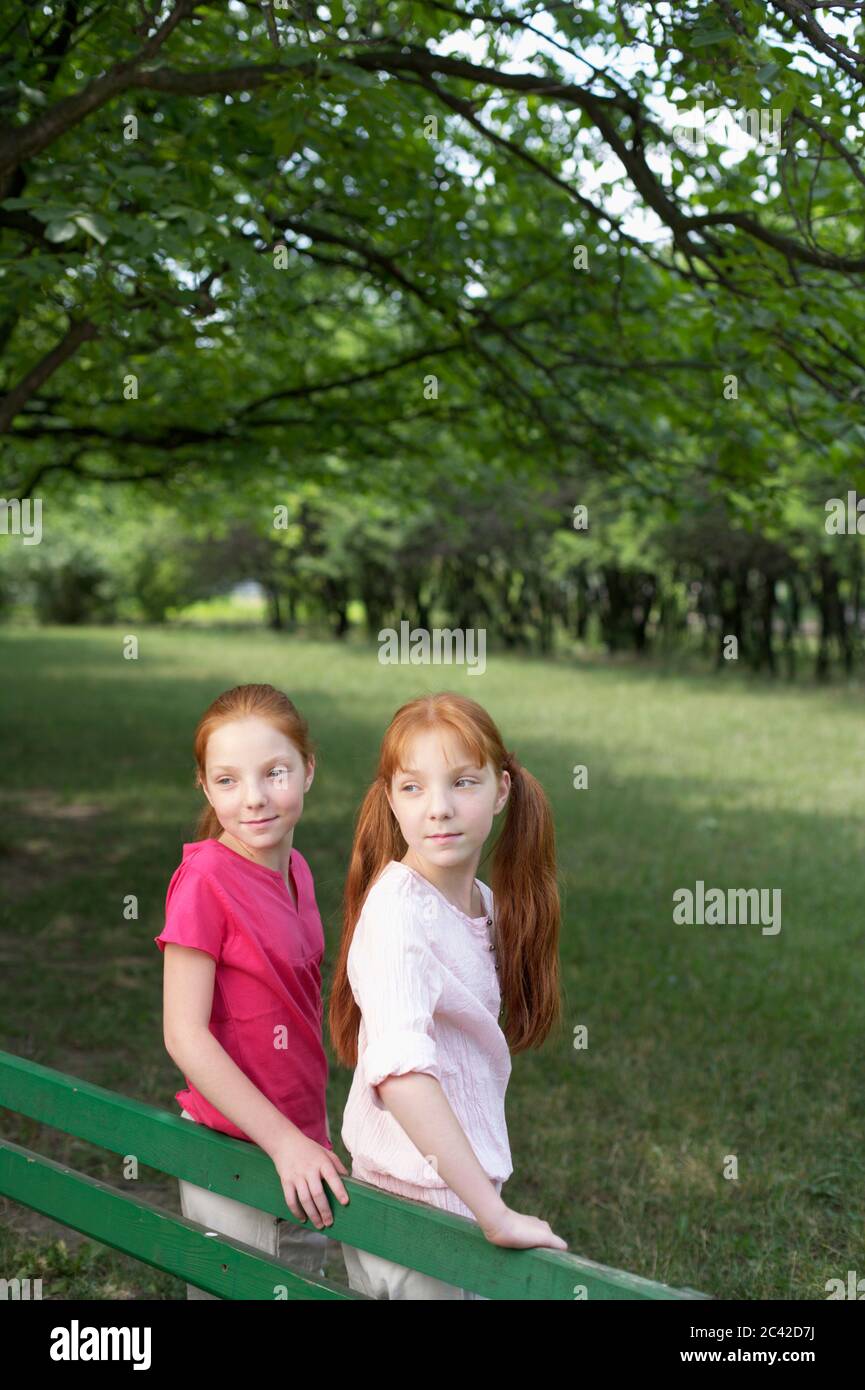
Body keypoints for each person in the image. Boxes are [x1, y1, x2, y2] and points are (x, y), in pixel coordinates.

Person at [330, 690, 568, 1299]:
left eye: (463, 782)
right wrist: (494, 1214)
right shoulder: (399, 914)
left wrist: (481, 1205)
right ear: (390, 799)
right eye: (413, 788)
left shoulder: (483, 904)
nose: (439, 808)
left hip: (453, 1197)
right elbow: (402, 1074)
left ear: (502, 789)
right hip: (409, 1212)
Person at [154, 682, 349, 1299]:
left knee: (298, 1284)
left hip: (301, 1138)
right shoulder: (205, 879)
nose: (255, 799)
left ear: (308, 770)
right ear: (206, 788)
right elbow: (183, 1034)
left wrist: (302, 1139)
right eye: (229, 780)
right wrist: (282, 1142)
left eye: (275, 772)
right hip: (235, 1149)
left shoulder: (296, 868)